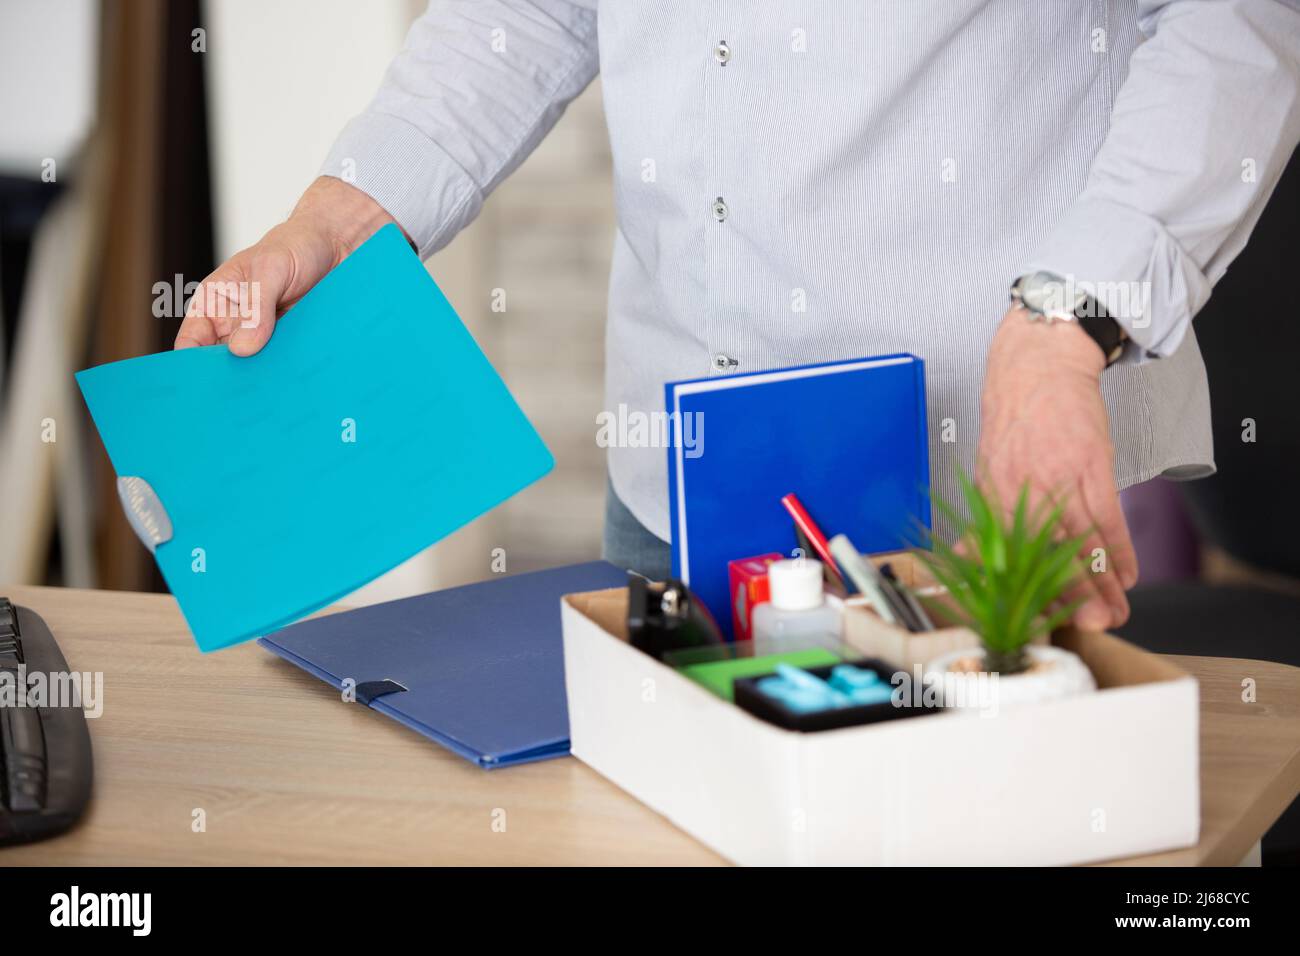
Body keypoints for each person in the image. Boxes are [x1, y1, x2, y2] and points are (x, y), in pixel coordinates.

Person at [175, 1, 1300, 632]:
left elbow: (1236, 22)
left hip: (1000, 469)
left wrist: (1065, 325)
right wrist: (342, 213)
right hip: (683, 472)